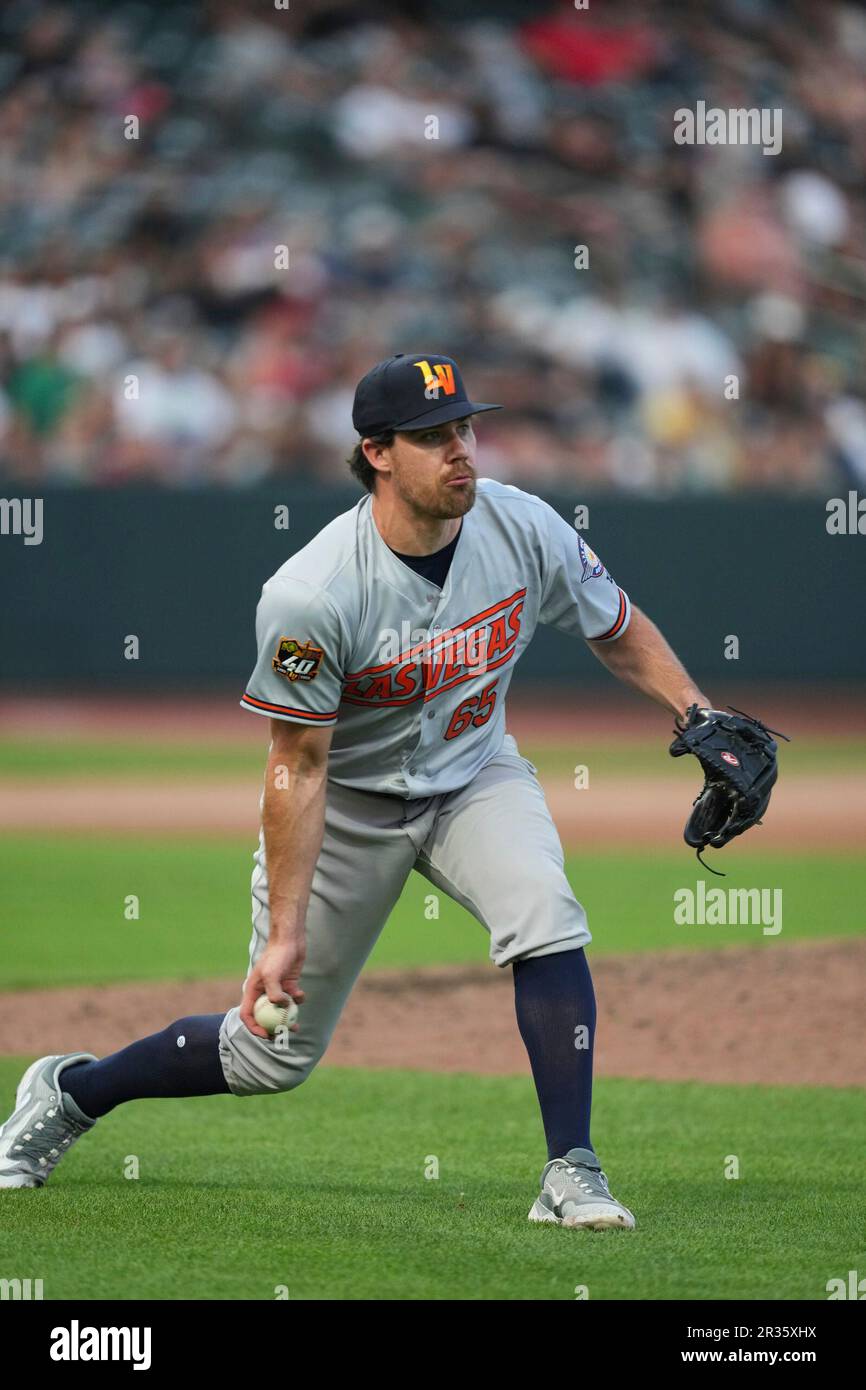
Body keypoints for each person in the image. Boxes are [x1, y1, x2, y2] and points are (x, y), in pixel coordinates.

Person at [0, 353, 711, 1230]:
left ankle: (572, 1170)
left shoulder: (522, 526)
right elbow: (297, 765)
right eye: (430, 437)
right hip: (347, 807)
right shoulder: (312, 592)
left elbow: (617, 624)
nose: (460, 450)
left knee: (546, 914)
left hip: (473, 773)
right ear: (376, 452)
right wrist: (289, 931)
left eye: (464, 428)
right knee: (268, 1058)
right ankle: (72, 1091)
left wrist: (697, 712)